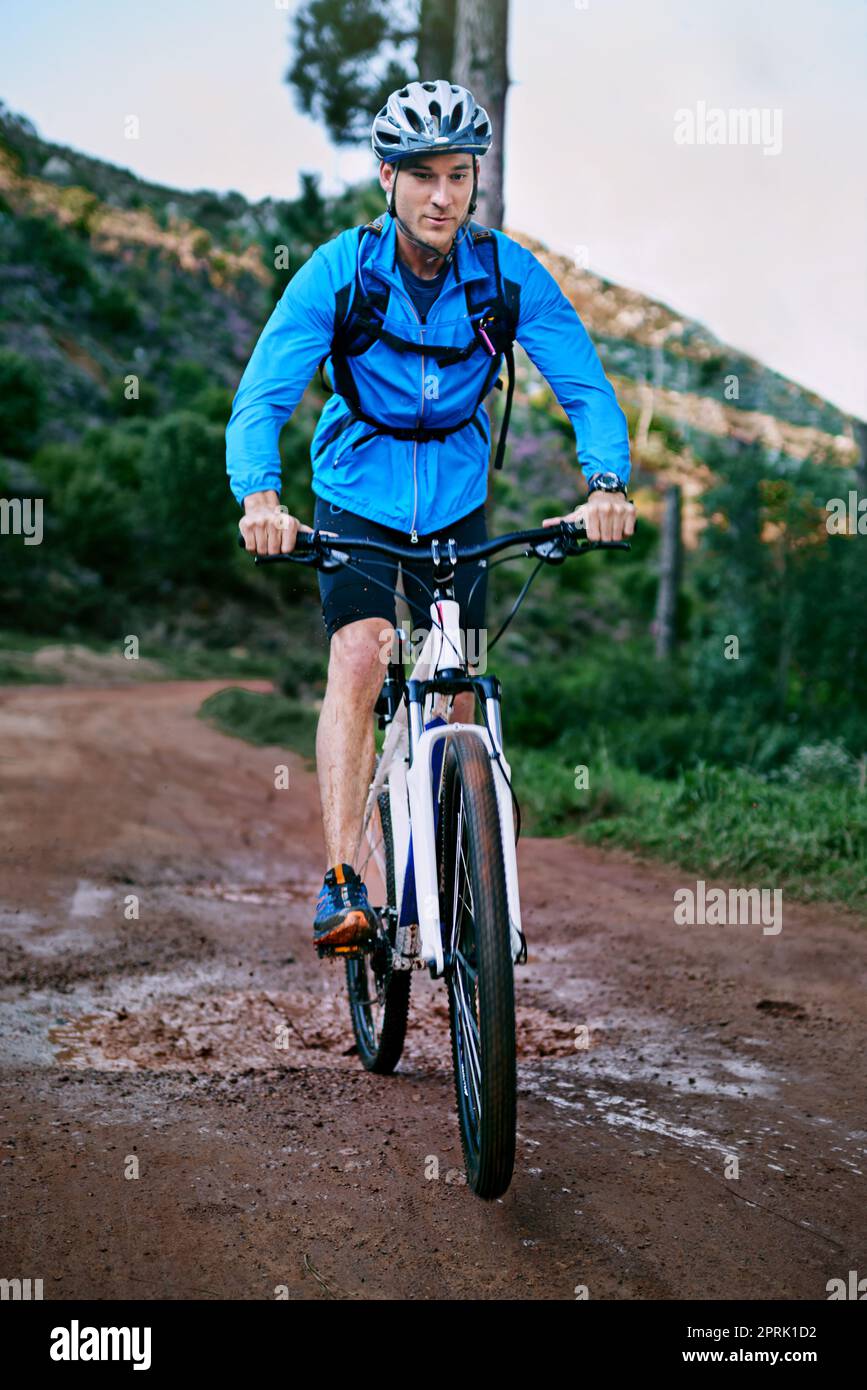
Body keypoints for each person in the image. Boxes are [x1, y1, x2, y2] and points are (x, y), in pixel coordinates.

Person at [226, 78, 635, 957]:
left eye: (458, 174)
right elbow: (260, 398)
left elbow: (584, 385)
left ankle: (463, 868)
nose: (442, 194)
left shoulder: (505, 274)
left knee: (459, 688)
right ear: (386, 177)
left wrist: (605, 483)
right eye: (422, 175)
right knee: (364, 651)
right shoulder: (338, 271)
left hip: (456, 504)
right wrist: (261, 499)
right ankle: (342, 881)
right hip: (357, 497)